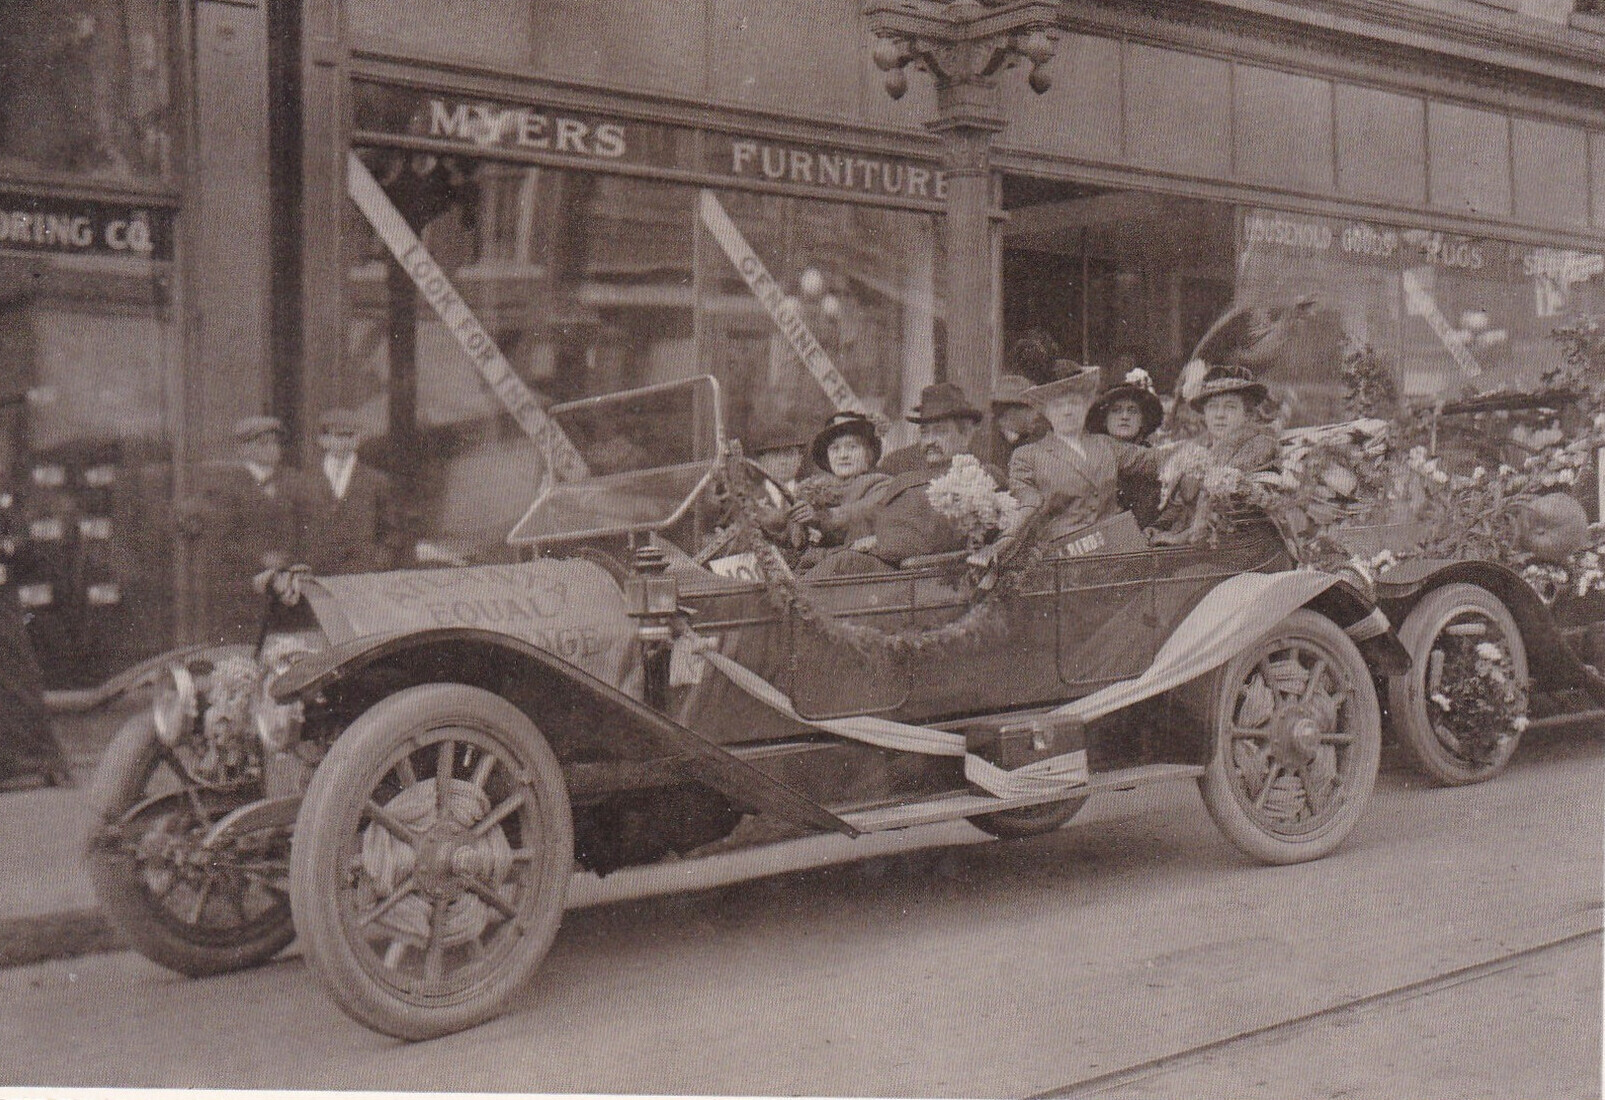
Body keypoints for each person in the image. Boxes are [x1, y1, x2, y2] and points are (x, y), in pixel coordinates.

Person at [809, 383, 993, 575]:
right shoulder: (904, 474)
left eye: (940, 431)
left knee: (844, 563)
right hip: (877, 560)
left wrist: (879, 542)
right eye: (924, 433)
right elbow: (868, 519)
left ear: (966, 434)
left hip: (923, 574)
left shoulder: (979, 477)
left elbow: (939, 536)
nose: (930, 441)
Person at [1000, 364, 1165, 555]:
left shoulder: (1107, 445)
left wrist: (1191, 454)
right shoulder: (1027, 455)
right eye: (1058, 405)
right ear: (1045, 411)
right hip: (1064, 559)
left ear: (1086, 405)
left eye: (1074, 403)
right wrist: (1007, 538)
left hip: (1117, 550)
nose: (1068, 411)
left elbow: (1156, 460)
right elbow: (1027, 502)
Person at [182, 415, 307, 645]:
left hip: (287, 589)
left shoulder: (295, 482)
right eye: (263, 443)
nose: (272, 449)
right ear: (243, 449)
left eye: (276, 443)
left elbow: (307, 529)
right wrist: (260, 558)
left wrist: (290, 559)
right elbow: (219, 540)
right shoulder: (225, 486)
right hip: (242, 589)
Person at [1150, 365, 1280, 546]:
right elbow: (1182, 503)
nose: (1219, 415)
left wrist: (1178, 538)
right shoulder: (1198, 448)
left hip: (1238, 544)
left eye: (1230, 407)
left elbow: (1224, 507)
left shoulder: (1260, 445)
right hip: (1199, 543)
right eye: (1212, 407)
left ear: (1248, 413)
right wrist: (1160, 527)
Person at [300, 408, 399, 575]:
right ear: (323, 440)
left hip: (362, 570)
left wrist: (380, 559)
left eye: (350, 435)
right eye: (338, 436)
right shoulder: (305, 479)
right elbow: (296, 524)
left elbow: (391, 528)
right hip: (317, 569)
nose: (344, 442)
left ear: (359, 438)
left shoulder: (376, 480)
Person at [788, 411, 890, 551]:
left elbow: (862, 513)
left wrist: (819, 517)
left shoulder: (881, 484)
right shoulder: (814, 490)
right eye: (834, 448)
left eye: (852, 447)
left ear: (869, 454)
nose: (842, 455)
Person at [1086, 368, 1166, 528]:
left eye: (1132, 411)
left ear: (1142, 420)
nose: (1124, 417)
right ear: (1104, 420)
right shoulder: (1091, 455)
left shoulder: (1158, 461)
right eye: (1116, 411)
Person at [976, 373, 1047, 470]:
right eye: (1030, 408)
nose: (1037, 414)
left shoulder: (1039, 439)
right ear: (1010, 411)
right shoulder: (983, 444)